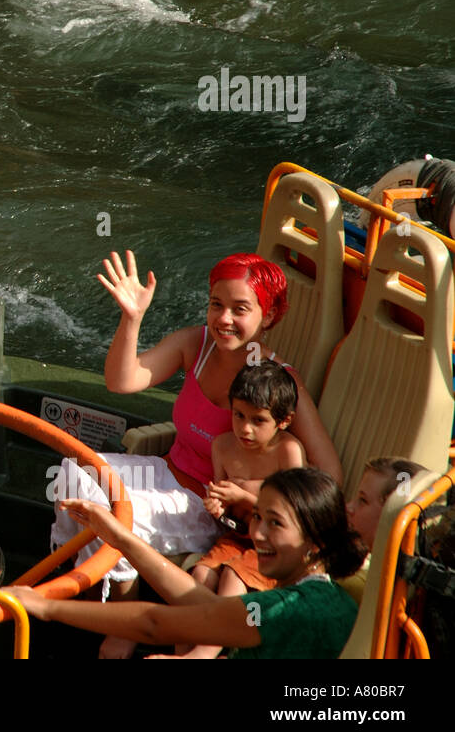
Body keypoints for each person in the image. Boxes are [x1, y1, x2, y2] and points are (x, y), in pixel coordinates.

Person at [49, 250, 339, 656]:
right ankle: (86, 584)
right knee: (71, 473)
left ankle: (126, 622)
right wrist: (132, 319)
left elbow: (328, 476)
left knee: (114, 510)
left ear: (268, 316)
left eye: (241, 309)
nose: (224, 319)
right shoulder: (195, 344)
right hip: (165, 472)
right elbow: (121, 380)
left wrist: (254, 495)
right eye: (216, 305)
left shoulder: (277, 383)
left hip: (206, 506)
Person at [14, 468, 367, 659]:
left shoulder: (288, 609)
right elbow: (207, 607)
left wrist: (45, 607)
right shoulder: (323, 598)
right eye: (257, 516)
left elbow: (155, 624)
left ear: (316, 540)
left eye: (276, 523)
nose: (257, 534)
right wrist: (118, 536)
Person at [177, 361, 305, 658]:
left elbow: (295, 512)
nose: (244, 429)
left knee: (233, 577)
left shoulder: (288, 450)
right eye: (238, 415)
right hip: (238, 537)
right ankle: (183, 646)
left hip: (275, 544)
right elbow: (226, 509)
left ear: (284, 421)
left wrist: (245, 496)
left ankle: (205, 653)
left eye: (258, 420)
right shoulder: (222, 446)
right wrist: (217, 506)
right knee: (199, 576)